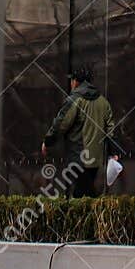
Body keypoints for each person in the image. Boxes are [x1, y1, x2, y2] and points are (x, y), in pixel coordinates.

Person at [42, 68, 115, 197]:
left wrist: (48, 142)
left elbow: (61, 124)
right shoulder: (103, 102)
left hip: (78, 156)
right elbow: (110, 130)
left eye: (71, 80)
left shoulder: (75, 100)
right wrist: (111, 152)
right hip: (95, 159)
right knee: (84, 192)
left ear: (75, 82)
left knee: (80, 195)